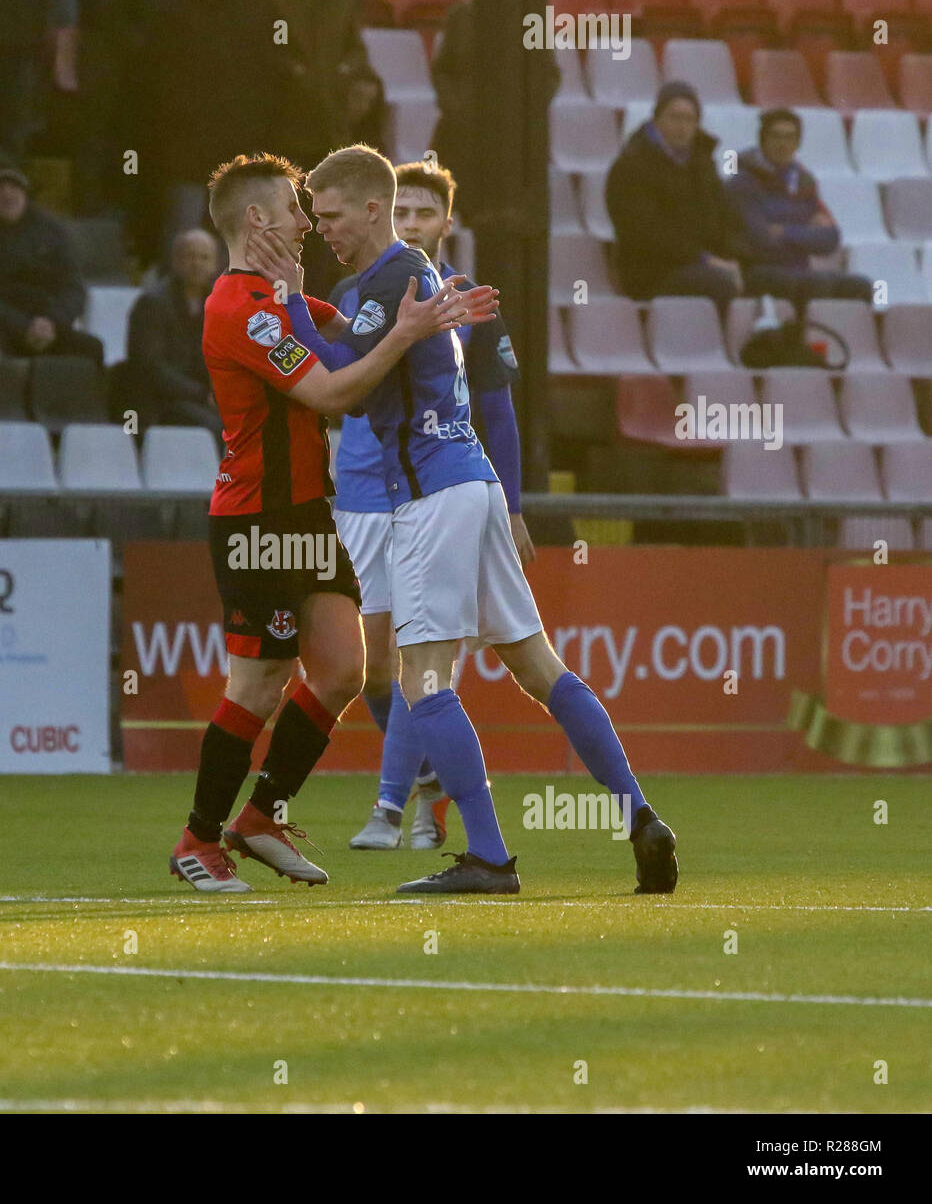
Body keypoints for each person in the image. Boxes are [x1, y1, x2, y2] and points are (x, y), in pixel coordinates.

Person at [259, 143, 678, 894]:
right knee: (536, 664)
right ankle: (640, 814)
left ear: (371, 206)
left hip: (431, 496)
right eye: (315, 218)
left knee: (421, 679)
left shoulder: (389, 278)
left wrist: (288, 300)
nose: (323, 229)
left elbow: (334, 379)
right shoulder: (413, 278)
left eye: (330, 215)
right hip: (473, 480)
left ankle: (487, 856)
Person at [168, 151, 492, 893]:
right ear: (257, 220)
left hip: (307, 513)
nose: (305, 220)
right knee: (259, 683)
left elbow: (356, 333)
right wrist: (405, 335)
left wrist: (418, 322)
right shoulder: (237, 306)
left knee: (349, 668)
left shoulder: (284, 299)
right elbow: (336, 390)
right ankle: (198, 837)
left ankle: (261, 817)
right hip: (256, 517)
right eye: (292, 206)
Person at [343, 160, 534, 853]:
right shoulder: (357, 290)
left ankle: (391, 808)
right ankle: (431, 785)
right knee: (373, 670)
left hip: (431, 489)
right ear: (384, 213)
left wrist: (511, 506)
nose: (414, 223)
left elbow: (497, 411)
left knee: (418, 655)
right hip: (361, 489)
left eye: (427, 213)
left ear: (448, 222)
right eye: (405, 213)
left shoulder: (470, 304)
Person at [605, 81, 747, 303]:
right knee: (718, 283)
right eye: (675, 117)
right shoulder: (631, 165)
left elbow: (722, 216)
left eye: (689, 119)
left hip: (700, 262)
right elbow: (645, 232)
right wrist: (706, 260)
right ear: (657, 118)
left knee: (761, 278)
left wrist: (731, 258)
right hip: (651, 270)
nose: (682, 127)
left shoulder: (702, 163)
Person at [725, 108, 871, 309]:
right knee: (814, 284)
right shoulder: (742, 183)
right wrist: (805, 228)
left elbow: (831, 238)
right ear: (762, 140)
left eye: (790, 137)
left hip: (799, 270)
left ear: (798, 143)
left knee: (860, 286)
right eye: (775, 136)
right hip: (757, 272)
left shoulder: (804, 181)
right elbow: (761, 241)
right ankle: (804, 338)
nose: (782, 144)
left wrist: (785, 231)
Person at [0, 165, 102, 366]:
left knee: (91, 348)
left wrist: (52, 322)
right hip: (1, 328)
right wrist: (23, 326)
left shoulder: (52, 232)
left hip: (50, 326)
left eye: (14, 187)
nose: (7, 193)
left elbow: (73, 288)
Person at [125, 228, 220, 434]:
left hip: (201, 396)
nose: (197, 264)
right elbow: (150, 367)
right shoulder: (152, 303)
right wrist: (203, 394)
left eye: (204, 258)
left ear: (214, 265)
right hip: (160, 399)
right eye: (190, 256)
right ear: (176, 261)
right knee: (216, 427)